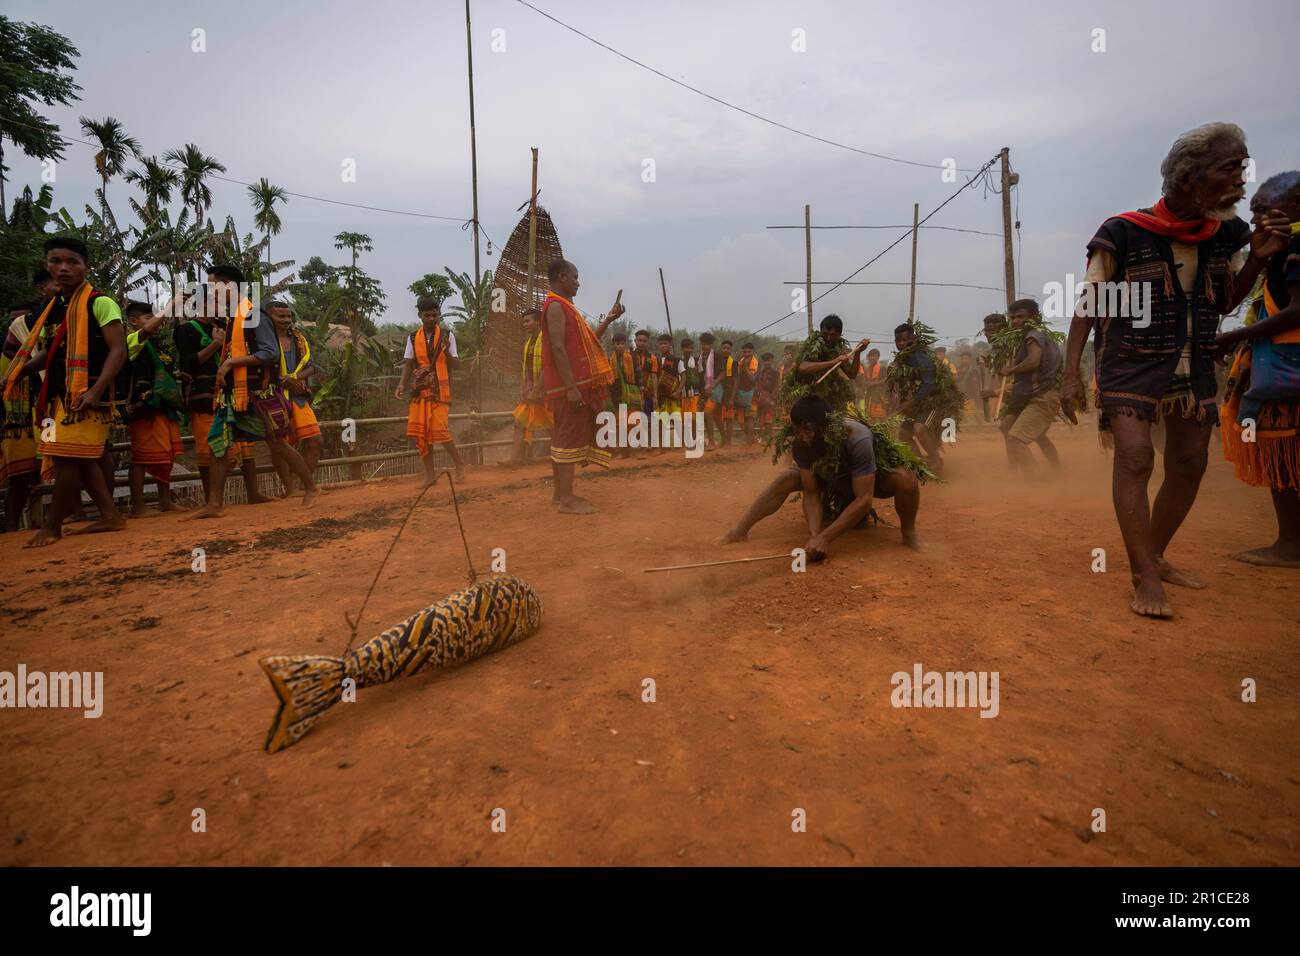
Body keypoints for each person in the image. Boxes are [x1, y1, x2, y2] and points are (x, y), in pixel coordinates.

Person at [1060, 122, 1290, 617]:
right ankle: (1144, 577)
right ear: (1188, 176)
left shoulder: (1226, 234)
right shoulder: (1122, 232)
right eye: (1230, 168)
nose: (1242, 180)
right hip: (1130, 362)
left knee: (1189, 464)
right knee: (1137, 458)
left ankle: (1154, 556)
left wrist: (1257, 262)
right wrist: (1070, 374)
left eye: (1243, 167)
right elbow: (1088, 305)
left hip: (1194, 361)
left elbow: (1224, 299)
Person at [8, 237, 127, 546]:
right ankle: (110, 515)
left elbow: (118, 351)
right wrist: (16, 373)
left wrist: (95, 390)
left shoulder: (100, 302)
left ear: (86, 267)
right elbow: (50, 353)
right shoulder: (55, 308)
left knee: (65, 458)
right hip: (58, 395)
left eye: (72, 262)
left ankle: (52, 527)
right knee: (84, 459)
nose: (63, 268)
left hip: (86, 394)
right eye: (56, 261)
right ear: (46, 266)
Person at [1216, 171, 1300, 568]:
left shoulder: (1293, 247)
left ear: (1296, 205)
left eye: (1263, 210)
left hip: (1288, 376)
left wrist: (1233, 337)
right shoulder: (1279, 247)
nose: (1254, 221)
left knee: (1282, 452)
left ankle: (1290, 546)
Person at [189, 265, 320, 518]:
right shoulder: (233, 317)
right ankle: (215, 504)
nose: (212, 292)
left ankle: (311, 487)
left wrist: (229, 363)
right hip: (233, 395)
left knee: (276, 442)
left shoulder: (253, 315)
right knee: (219, 443)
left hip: (256, 395)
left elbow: (269, 354)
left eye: (215, 286)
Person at [721, 394, 922, 557]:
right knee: (785, 478)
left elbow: (864, 499)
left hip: (869, 481)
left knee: (906, 478)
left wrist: (826, 537)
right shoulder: (801, 443)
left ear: (826, 427)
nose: (801, 435)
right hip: (830, 478)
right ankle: (740, 530)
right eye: (797, 429)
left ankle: (909, 534)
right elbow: (811, 493)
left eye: (807, 430)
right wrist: (815, 536)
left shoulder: (857, 437)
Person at [540, 258, 624, 514]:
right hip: (571, 388)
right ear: (563, 277)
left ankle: (560, 496)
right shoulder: (556, 306)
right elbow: (557, 348)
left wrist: (608, 320)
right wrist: (572, 388)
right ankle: (566, 500)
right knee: (568, 439)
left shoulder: (566, 307)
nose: (579, 282)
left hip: (573, 386)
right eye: (575, 277)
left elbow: (585, 345)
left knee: (563, 437)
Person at [173, 286, 267, 504]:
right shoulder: (187, 330)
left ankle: (252, 494)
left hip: (230, 394)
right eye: (215, 301)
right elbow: (188, 363)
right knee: (211, 451)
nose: (220, 305)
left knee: (243, 448)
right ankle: (212, 500)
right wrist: (216, 344)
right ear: (201, 304)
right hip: (204, 398)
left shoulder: (226, 326)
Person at [122, 300, 186, 515]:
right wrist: (171, 305)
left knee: (165, 455)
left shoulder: (158, 345)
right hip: (143, 407)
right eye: (148, 317)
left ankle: (164, 501)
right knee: (141, 457)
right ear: (133, 321)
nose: (154, 323)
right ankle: (138, 506)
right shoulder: (131, 339)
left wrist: (176, 375)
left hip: (163, 406)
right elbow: (148, 330)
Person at [396, 296, 467, 486]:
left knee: (440, 430)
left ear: (439, 314)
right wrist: (401, 384)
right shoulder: (412, 337)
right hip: (420, 391)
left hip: (441, 391)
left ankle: (460, 466)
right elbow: (409, 363)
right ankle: (430, 475)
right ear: (420, 315)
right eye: (427, 315)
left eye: (435, 315)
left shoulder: (447, 335)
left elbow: (457, 364)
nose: (431, 319)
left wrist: (445, 352)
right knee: (423, 433)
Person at [998, 299, 1063, 477]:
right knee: (1007, 426)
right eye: (1012, 318)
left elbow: (1033, 361)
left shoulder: (1033, 336)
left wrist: (1010, 370)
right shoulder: (1035, 337)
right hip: (1030, 397)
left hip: (1042, 397)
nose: (1016, 321)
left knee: (1015, 438)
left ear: (1035, 318)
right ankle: (1051, 470)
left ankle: (1032, 479)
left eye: (1020, 317)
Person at [268, 302, 322, 495]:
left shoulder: (299, 339)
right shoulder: (264, 340)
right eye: (280, 317)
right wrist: (279, 380)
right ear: (269, 318)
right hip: (273, 397)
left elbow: (312, 366)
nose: (286, 320)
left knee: (316, 441)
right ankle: (289, 488)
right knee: (279, 445)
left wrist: (294, 378)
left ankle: (304, 485)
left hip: (298, 396)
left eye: (288, 317)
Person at [507, 308, 552, 466]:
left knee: (553, 426)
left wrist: (536, 390)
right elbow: (526, 368)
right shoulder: (529, 342)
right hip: (531, 390)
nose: (524, 324)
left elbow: (548, 368)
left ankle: (565, 455)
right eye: (524, 321)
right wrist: (525, 389)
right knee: (520, 422)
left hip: (545, 391)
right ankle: (514, 460)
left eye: (528, 321)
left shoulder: (546, 340)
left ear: (538, 322)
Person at [734, 342, 760, 445]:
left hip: (752, 394)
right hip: (740, 393)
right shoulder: (741, 361)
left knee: (750, 418)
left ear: (752, 352)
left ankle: (750, 443)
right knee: (740, 420)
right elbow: (738, 376)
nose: (747, 354)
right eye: (745, 352)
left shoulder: (755, 362)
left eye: (749, 352)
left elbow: (753, 379)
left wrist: (744, 367)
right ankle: (752, 439)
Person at [754, 351, 780, 441]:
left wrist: (771, 399)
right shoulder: (760, 372)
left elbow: (777, 387)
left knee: (768, 420)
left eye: (768, 361)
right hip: (761, 398)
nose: (767, 363)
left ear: (772, 361)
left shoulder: (775, 373)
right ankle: (763, 438)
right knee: (761, 419)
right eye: (765, 361)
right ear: (763, 361)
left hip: (770, 398)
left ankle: (770, 439)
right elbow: (756, 384)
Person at [861, 347, 887, 421]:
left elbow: (885, 380)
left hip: (879, 395)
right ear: (868, 357)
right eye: (871, 356)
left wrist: (874, 383)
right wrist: (867, 384)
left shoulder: (882, 368)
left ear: (878, 357)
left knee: (879, 415)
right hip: (869, 395)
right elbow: (863, 382)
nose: (872, 358)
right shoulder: (866, 369)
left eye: (875, 356)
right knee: (869, 415)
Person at [679, 338, 701, 417]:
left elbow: (700, 375)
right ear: (682, 348)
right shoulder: (679, 361)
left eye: (691, 348)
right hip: (683, 393)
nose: (690, 350)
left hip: (695, 392)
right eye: (687, 348)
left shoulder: (696, 361)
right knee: (685, 417)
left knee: (694, 417)